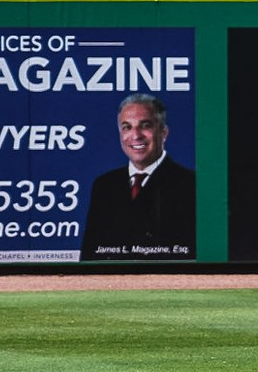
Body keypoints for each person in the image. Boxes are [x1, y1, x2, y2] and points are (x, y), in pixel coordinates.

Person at [80, 93, 195, 261]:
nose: (135, 135)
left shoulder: (191, 184)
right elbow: (89, 254)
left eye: (145, 125)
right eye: (127, 127)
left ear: (163, 132)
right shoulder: (104, 185)